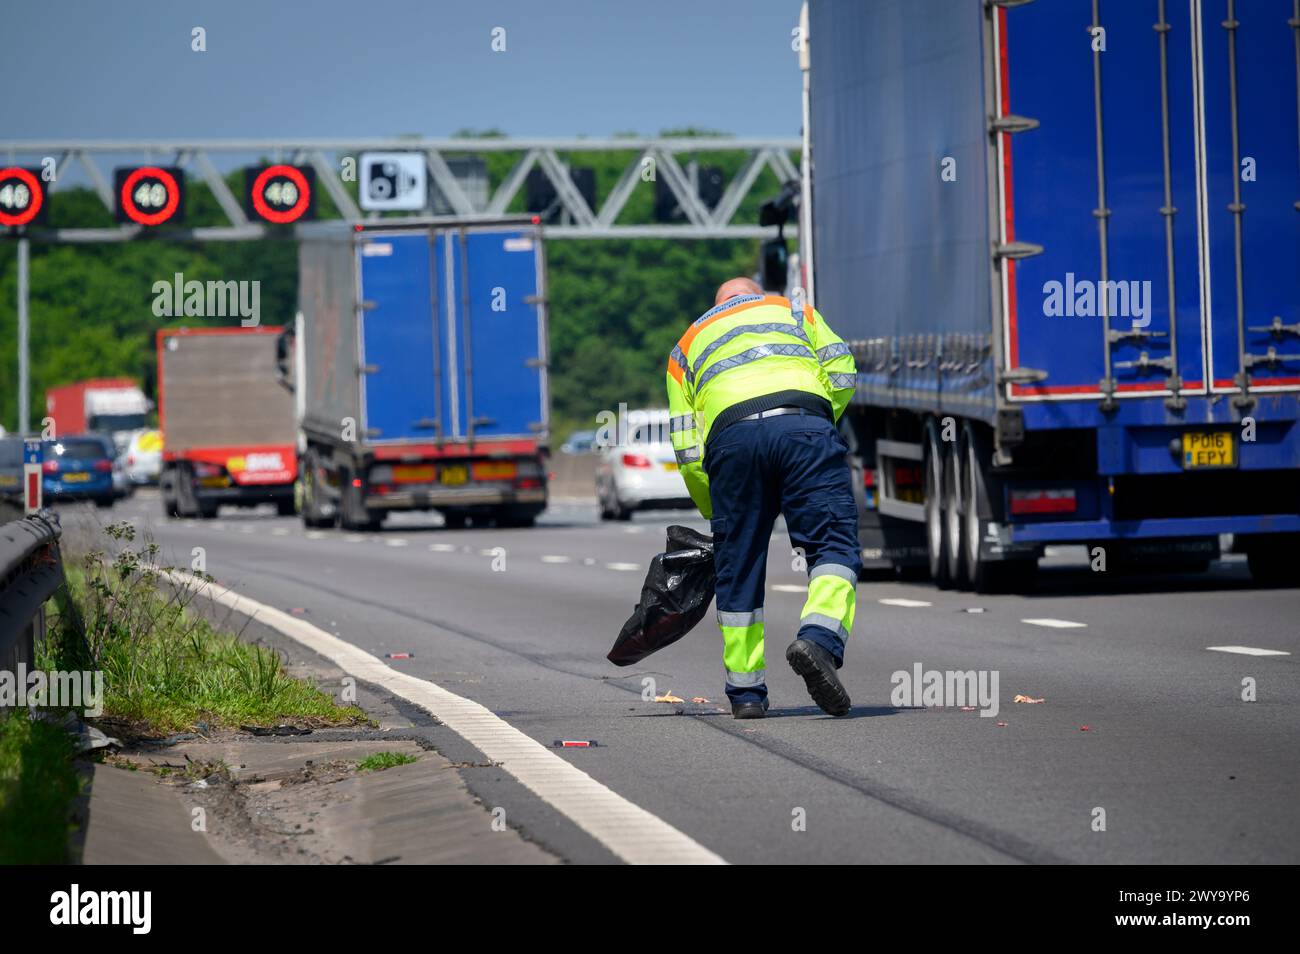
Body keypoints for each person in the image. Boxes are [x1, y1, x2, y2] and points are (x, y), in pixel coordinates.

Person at [666, 276, 860, 719]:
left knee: (740, 564)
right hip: (803, 424)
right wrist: (818, 421)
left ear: (716, 306)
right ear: (756, 294)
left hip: (731, 440)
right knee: (833, 543)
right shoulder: (795, 311)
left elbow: (687, 448)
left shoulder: (686, 347)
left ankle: (747, 694)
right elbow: (844, 372)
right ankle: (819, 640)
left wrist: (717, 514)